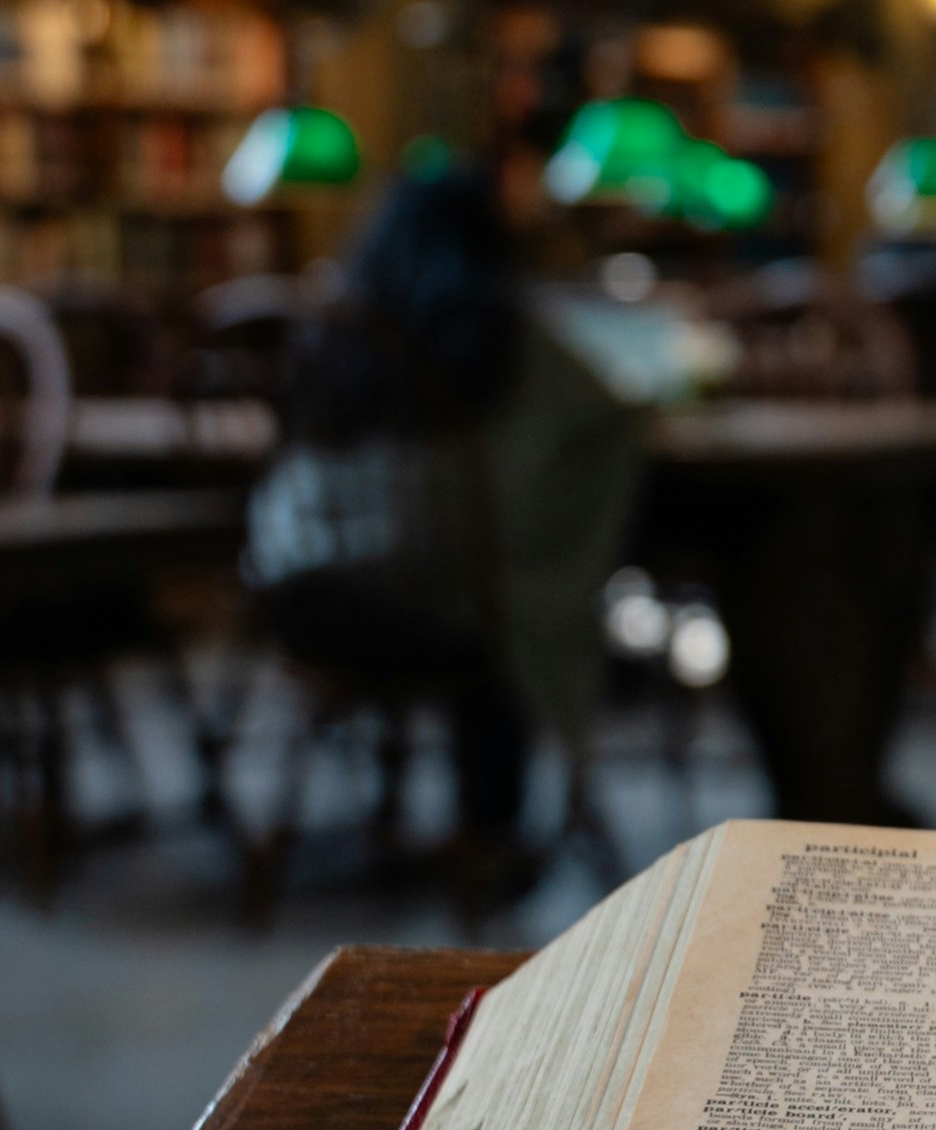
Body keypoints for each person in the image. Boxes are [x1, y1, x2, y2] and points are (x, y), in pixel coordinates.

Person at [241, 160, 644, 886]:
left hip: (292, 588)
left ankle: (445, 828)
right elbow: (606, 418)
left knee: (467, 591)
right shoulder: (488, 327)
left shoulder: (340, 319)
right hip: (414, 597)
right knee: (498, 615)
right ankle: (488, 836)